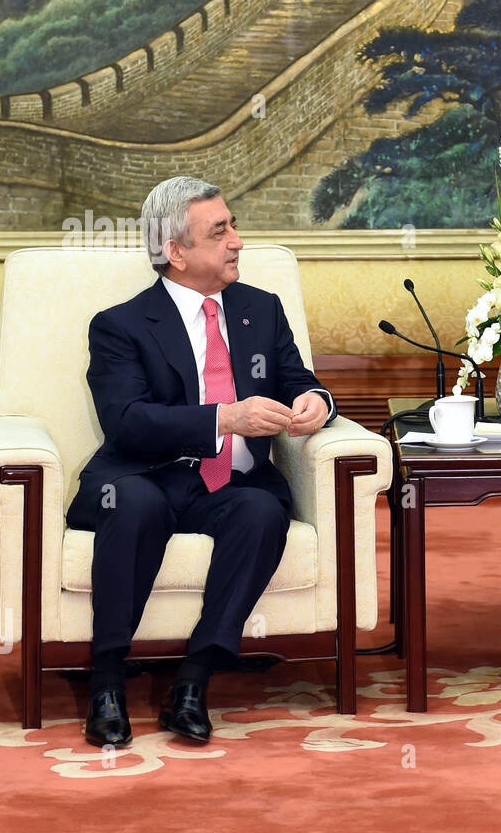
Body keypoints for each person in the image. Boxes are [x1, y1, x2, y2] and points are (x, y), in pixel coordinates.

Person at [66, 176, 337, 748]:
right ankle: (107, 682)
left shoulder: (260, 310)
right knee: (135, 503)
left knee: (263, 512)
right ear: (177, 252)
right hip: (146, 477)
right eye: (220, 231)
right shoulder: (121, 325)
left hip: (230, 485)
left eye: (233, 224)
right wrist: (223, 418)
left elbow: (300, 382)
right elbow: (127, 422)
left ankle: (193, 681)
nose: (237, 240)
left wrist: (317, 403)